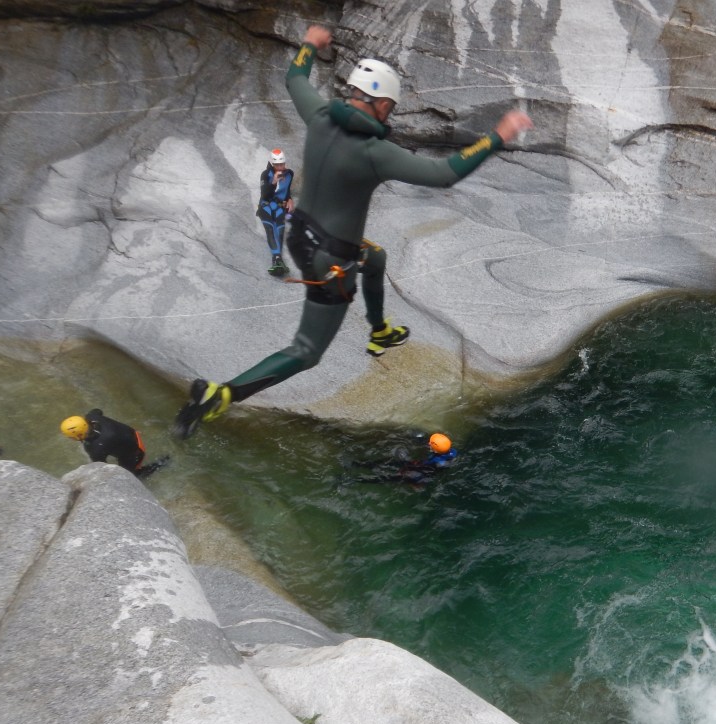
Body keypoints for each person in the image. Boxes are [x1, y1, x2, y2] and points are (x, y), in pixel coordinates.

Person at [173, 25, 533, 439]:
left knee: (375, 256)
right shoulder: (375, 152)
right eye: (389, 107)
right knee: (307, 352)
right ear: (380, 103)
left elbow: (295, 77)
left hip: (302, 237)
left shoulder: (321, 115)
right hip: (333, 262)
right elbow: (444, 173)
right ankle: (221, 395)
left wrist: (310, 43)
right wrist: (497, 136)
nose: (390, 113)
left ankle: (379, 330)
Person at [61, 411, 169, 477]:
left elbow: (101, 467)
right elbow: (98, 410)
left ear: (79, 435)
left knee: (131, 476)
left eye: (70, 437)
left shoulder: (95, 448)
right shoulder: (92, 417)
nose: (69, 439)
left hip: (136, 450)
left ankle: (163, 463)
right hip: (133, 434)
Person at [359, 432, 458, 485]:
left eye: (431, 444)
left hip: (422, 473)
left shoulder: (437, 462)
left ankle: (360, 479)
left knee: (390, 476)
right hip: (426, 467)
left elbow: (424, 469)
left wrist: (407, 464)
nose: (428, 443)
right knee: (394, 463)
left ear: (436, 451)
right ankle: (361, 465)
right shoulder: (452, 451)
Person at [258, 148, 294, 276]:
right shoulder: (265, 174)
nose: (280, 167)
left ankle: (278, 260)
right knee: (270, 228)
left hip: (279, 207)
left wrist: (290, 199)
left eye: (282, 164)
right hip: (266, 206)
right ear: (272, 164)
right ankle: (277, 259)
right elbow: (264, 194)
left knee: (279, 230)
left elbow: (287, 190)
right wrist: (273, 181)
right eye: (277, 164)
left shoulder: (289, 174)